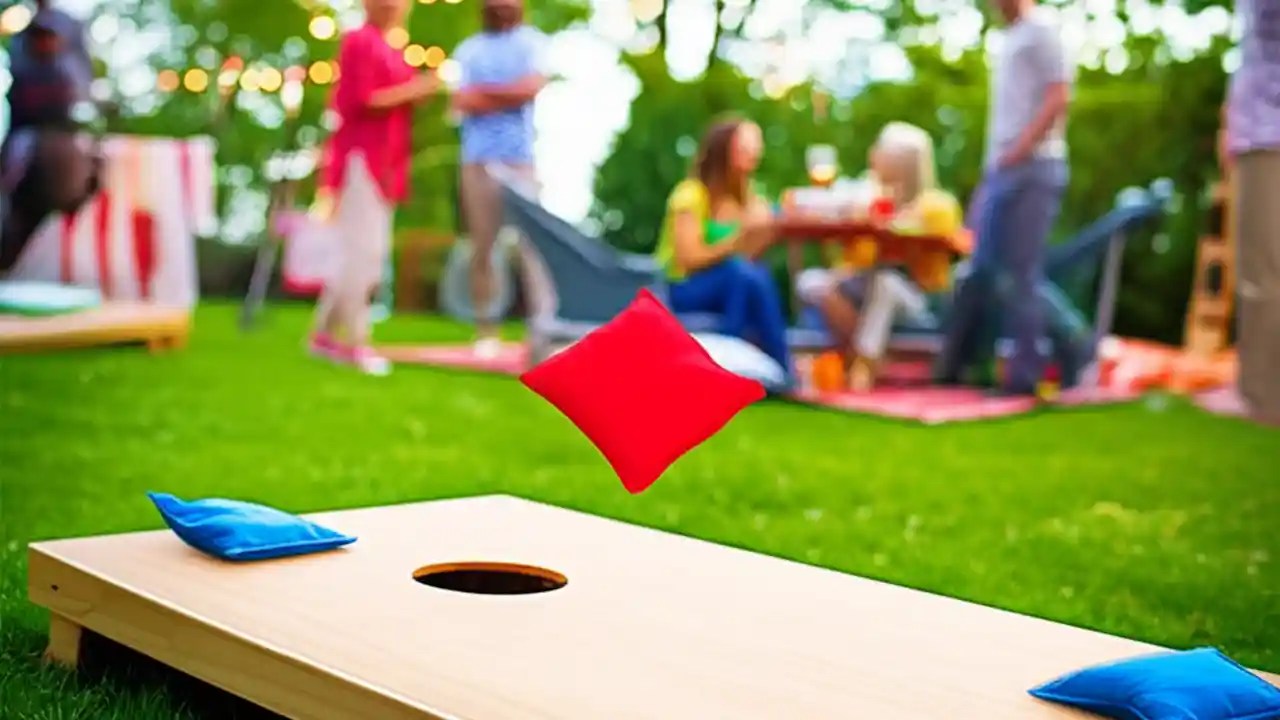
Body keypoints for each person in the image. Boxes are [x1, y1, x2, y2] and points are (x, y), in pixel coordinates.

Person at [934, 0, 1074, 396]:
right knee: (979, 269)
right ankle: (958, 366)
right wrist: (993, 170)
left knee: (1021, 274)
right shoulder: (1009, 37)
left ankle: (1024, 376)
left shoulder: (1043, 29)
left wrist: (1020, 150)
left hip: (1034, 167)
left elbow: (1059, 95)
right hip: (1001, 170)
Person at [309, 0, 440, 375]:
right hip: (360, 159)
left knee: (366, 251)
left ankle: (322, 337)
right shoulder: (359, 42)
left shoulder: (392, 48)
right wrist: (417, 89)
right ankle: (356, 342)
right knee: (363, 253)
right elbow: (362, 100)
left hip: (386, 164)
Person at [798, 122, 962, 392]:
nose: (873, 155)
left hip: (919, 301)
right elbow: (854, 262)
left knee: (886, 283)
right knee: (812, 283)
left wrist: (890, 222)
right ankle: (864, 357)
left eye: (881, 150)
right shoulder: (868, 200)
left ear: (904, 161)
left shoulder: (936, 205)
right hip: (865, 295)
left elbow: (943, 239)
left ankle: (863, 367)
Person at [654, 116, 794, 381]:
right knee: (739, 273)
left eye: (756, 147)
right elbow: (689, 259)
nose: (754, 154)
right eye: (745, 147)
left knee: (753, 274)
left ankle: (761, 367)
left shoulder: (748, 197)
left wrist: (766, 232)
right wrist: (740, 234)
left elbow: (750, 260)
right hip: (681, 288)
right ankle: (772, 367)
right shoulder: (691, 194)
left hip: (729, 287)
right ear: (723, 150)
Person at [452, 0, 550, 359]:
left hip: (521, 160)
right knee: (482, 246)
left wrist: (486, 94)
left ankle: (543, 328)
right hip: (476, 160)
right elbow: (461, 100)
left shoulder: (533, 43)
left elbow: (530, 88)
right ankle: (486, 331)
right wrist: (507, 93)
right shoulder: (469, 50)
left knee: (534, 248)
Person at [1223, 0, 1280, 425]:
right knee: (1261, 270)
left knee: (1262, 273)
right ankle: (1261, 397)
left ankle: (1264, 401)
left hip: (1268, 131)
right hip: (1256, 128)